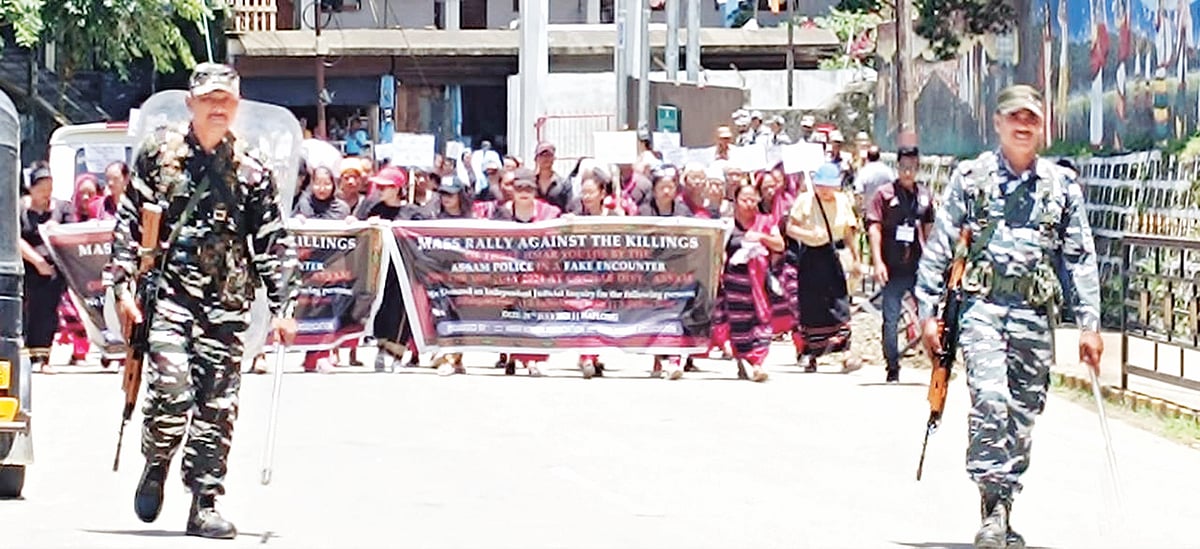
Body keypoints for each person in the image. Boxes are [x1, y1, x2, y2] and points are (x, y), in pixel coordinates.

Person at [107, 63, 298, 539]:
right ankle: (158, 458)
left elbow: (272, 240)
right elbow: (130, 220)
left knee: (217, 406)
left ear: (237, 106)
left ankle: (204, 501)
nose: (218, 107)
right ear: (190, 103)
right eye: (209, 99)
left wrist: (283, 307)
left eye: (227, 101)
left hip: (227, 305)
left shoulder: (251, 169)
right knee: (172, 393)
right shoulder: (160, 154)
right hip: (170, 298)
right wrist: (121, 283)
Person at [915, 84, 1102, 549]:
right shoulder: (971, 179)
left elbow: (1078, 257)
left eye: (1032, 119)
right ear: (997, 123)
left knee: (1022, 415)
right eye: (1014, 117)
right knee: (991, 400)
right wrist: (926, 312)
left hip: (1034, 315)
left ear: (1042, 127)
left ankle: (1004, 503)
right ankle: (991, 508)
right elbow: (939, 248)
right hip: (983, 310)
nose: (1023, 125)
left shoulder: (1060, 186)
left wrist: (1090, 324)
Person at [866, 146, 934, 383]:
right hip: (892, 266)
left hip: (918, 266)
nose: (908, 172)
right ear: (897, 167)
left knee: (929, 314)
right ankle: (892, 366)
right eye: (904, 167)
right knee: (891, 317)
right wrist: (877, 262)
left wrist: (934, 261)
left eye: (912, 168)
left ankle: (937, 361)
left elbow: (929, 229)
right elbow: (873, 228)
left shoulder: (924, 196)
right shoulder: (883, 195)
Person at [787, 162, 863, 373]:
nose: (826, 191)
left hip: (832, 256)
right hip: (811, 257)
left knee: (839, 303)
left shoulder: (842, 201)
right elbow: (791, 228)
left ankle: (846, 352)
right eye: (822, 186)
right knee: (811, 306)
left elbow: (849, 232)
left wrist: (856, 258)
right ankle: (810, 354)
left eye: (830, 186)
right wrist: (808, 235)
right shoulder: (805, 200)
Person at [712, 182, 783, 382]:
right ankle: (742, 360)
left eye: (754, 199)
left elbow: (779, 245)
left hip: (760, 283)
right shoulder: (727, 226)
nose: (750, 204)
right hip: (735, 284)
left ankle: (758, 363)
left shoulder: (767, 221)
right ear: (736, 202)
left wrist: (761, 237)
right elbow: (718, 252)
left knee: (762, 323)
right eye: (745, 200)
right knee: (739, 325)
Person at [20, 166, 73, 374]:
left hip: (53, 271)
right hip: (29, 268)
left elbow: (71, 234)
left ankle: (43, 357)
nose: (46, 195)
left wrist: (56, 229)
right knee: (27, 314)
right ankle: (26, 357)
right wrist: (36, 261)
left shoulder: (61, 208)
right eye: (41, 189)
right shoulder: (21, 210)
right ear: (31, 189)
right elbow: (15, 238)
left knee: (47, 314)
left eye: (49, 189)